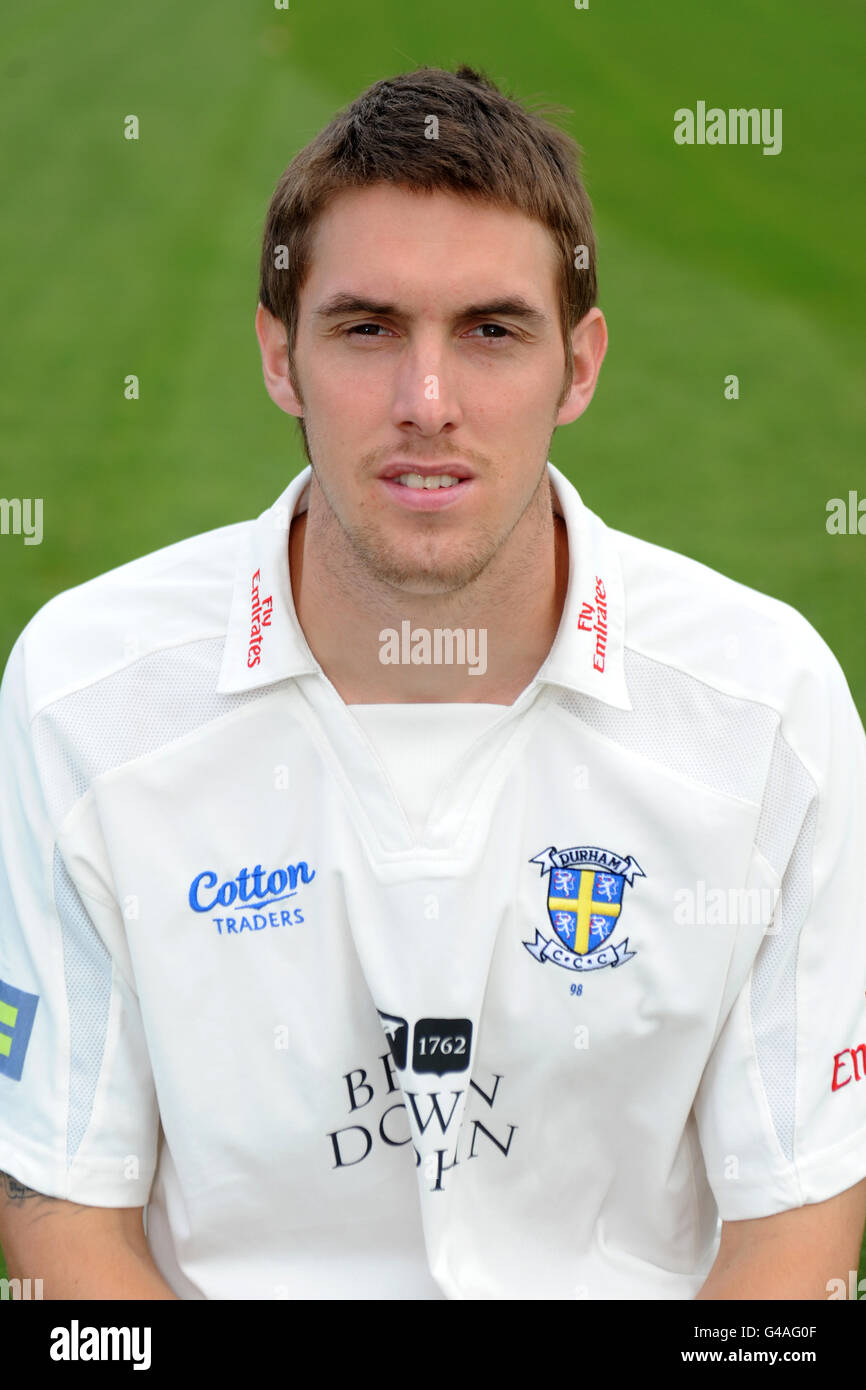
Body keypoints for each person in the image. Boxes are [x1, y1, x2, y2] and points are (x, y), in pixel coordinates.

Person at [1, 64, 864, 1302]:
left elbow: (793, 1224)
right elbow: (67, 1219)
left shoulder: (764, 707)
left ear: (578, 366)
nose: (426, 403)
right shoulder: (84, 694)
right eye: (366, 328)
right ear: (278, 357)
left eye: (490, 331)